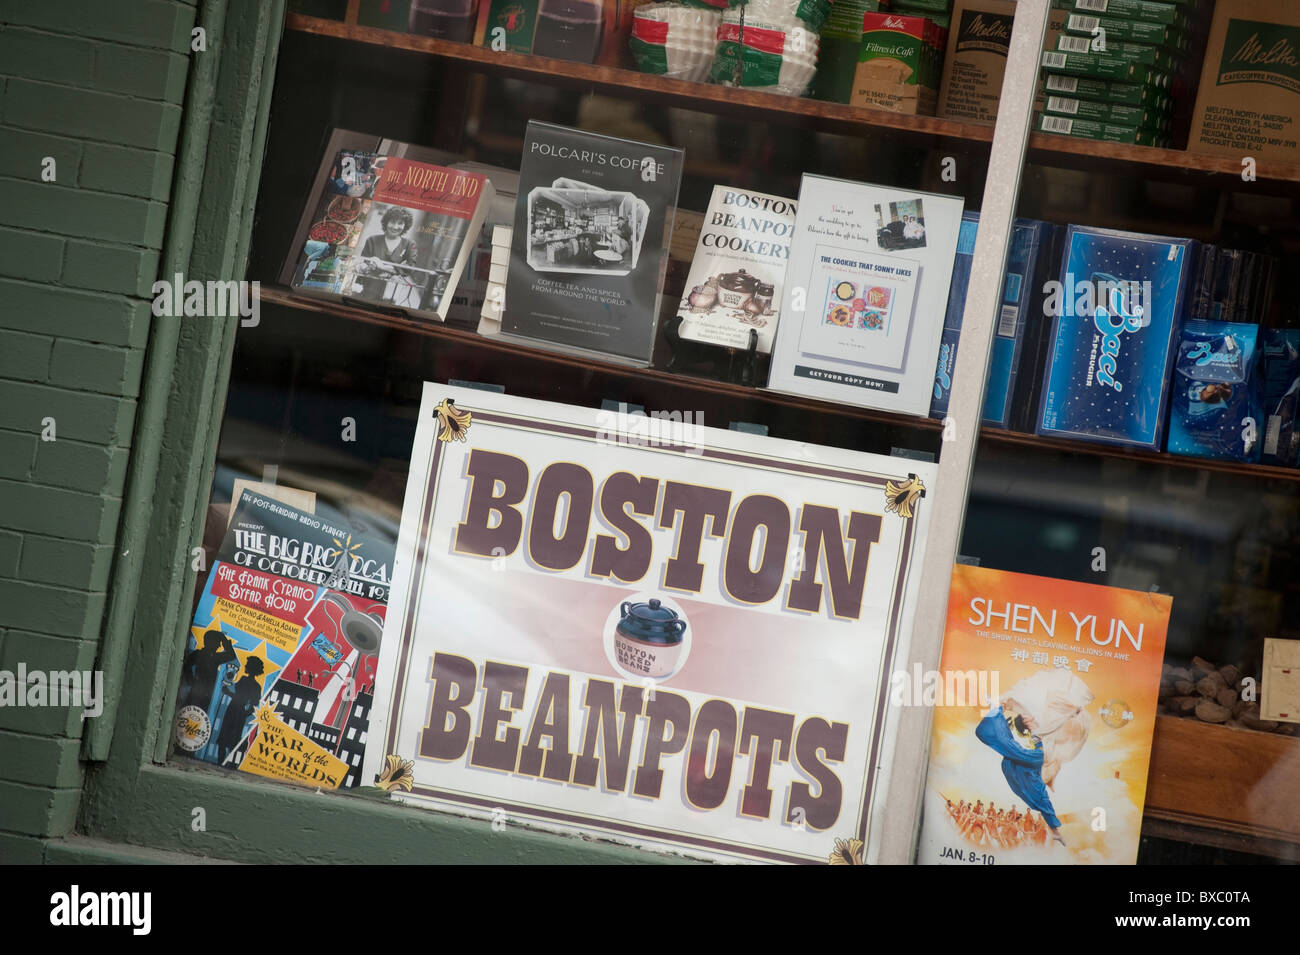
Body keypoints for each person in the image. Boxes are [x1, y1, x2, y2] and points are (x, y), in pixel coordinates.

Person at [355, 207, 419, 301]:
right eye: (392, 222)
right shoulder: (372, 240)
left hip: (393, 293)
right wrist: (396, 269)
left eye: (400, 223)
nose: (395, 227)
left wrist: (380, 266)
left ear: (405, 225)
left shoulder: (410, 245)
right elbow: (366, 264)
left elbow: (409, 268)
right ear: (386, 222)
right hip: (369, 289)